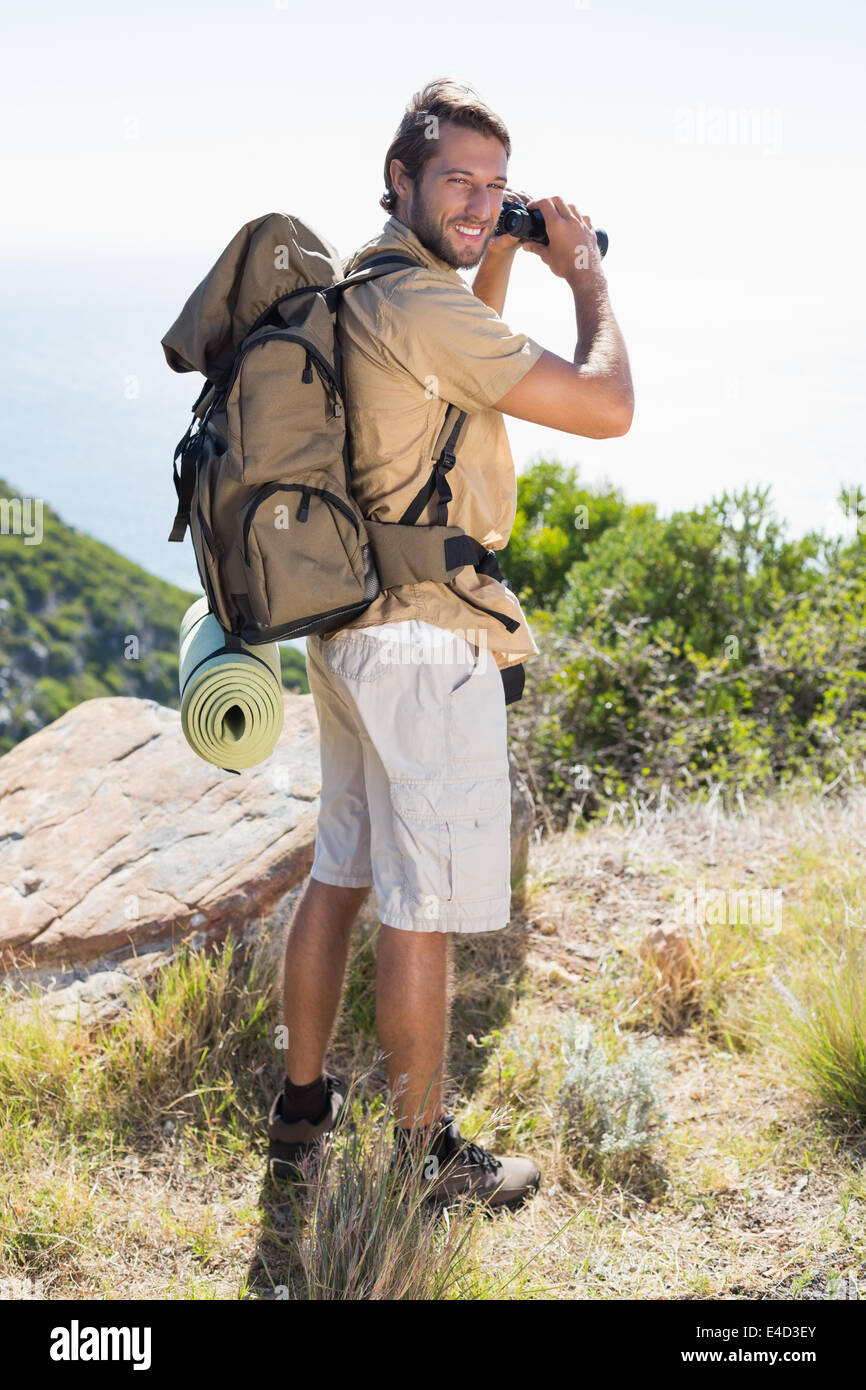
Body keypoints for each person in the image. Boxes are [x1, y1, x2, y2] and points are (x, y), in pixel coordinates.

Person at [268, 77, 633, 1212]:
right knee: (417, 904)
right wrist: (587, 276)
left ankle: (302, 1107)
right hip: (424, 642)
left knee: (341, 869)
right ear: (399, 178)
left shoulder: (374, 279)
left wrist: (503, 254)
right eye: (456, 182)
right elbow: (604, 404)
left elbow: (449, 359)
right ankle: (424, 1160)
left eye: (494, 186)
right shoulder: (429, 310)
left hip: (348, 623)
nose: (479, 204)